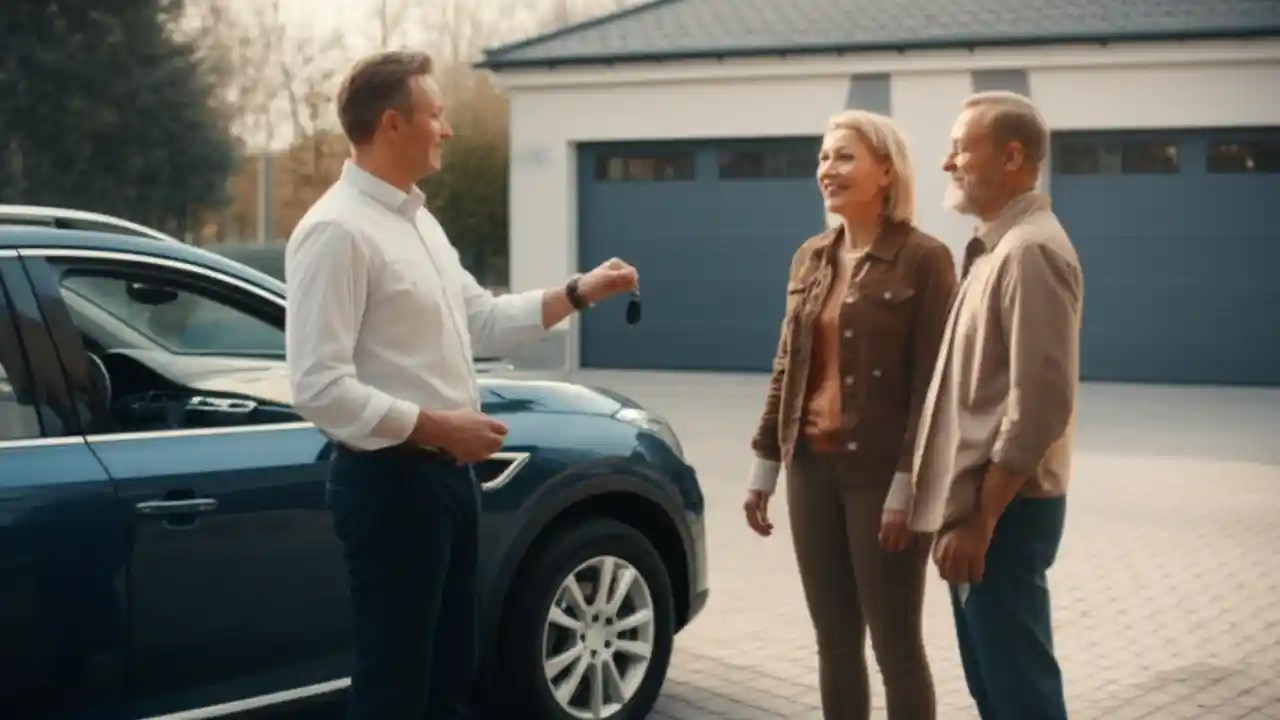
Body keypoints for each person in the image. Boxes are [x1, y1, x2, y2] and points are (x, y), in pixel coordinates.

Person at [284, 50, 639, 720]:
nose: (446, 128)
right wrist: (439, 427)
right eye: (436, 114)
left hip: (446, 482)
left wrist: (578, 291)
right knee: (396, 685)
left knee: (448, 679)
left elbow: (482, 322)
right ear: (393, 124)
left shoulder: (418, 222)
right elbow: (317, 386)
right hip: (388, 486)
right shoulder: (335, 232)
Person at [743, 110, 957, 720]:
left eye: (843, 156)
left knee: (895, 647)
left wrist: (907, 486)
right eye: (822, 158)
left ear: (886, 171)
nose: (826, 170)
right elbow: (787, 366)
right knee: (834, 644)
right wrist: (765, 468)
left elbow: (932, 388)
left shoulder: (926, 260)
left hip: (881, 480)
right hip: (810, 469)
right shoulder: (810, 257)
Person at [908, 90, 1083, 720]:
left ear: (1012, 157)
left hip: (1005, 513)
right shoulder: (997, 247)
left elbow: (1039, 404)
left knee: (1020, 693)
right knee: (997, 687)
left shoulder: (1031, 250)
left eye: (960, 147)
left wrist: (980, 522)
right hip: (985, 508)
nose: (947, 162)